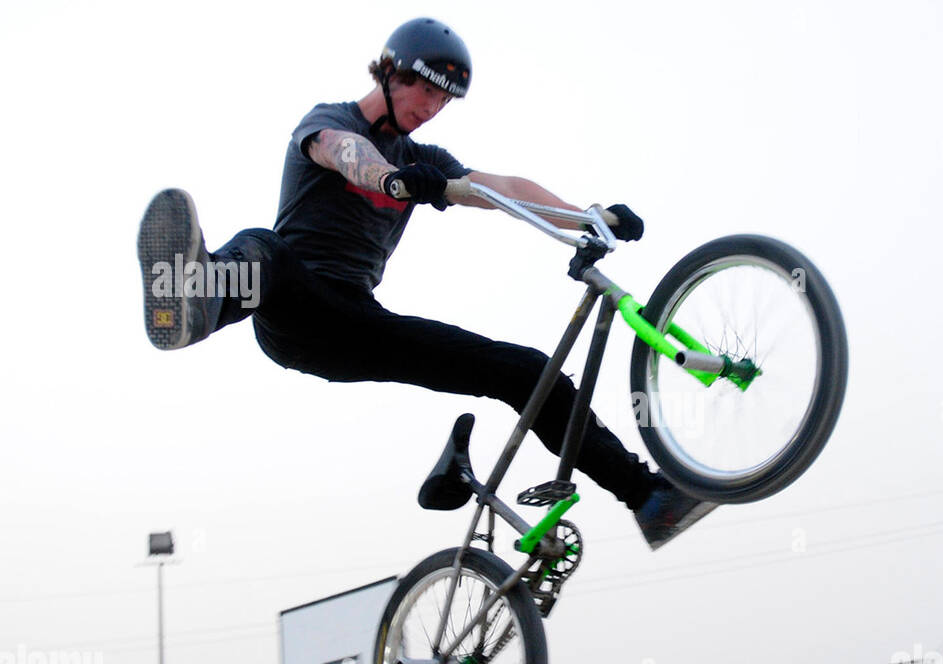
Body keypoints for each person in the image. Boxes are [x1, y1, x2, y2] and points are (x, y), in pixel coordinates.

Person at [136, 17, 715, 550]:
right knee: (264, 247)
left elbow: (500, 186)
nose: (434, 107)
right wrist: (391, 181)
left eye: (445, 98)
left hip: (354, 325)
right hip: (290, 305)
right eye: (427, 90)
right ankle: (196, 297)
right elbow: (347, 154)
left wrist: (588, 215)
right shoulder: (329, 122)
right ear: (391, 73)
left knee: (526, 372)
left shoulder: (424, 157)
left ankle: (650, 499)